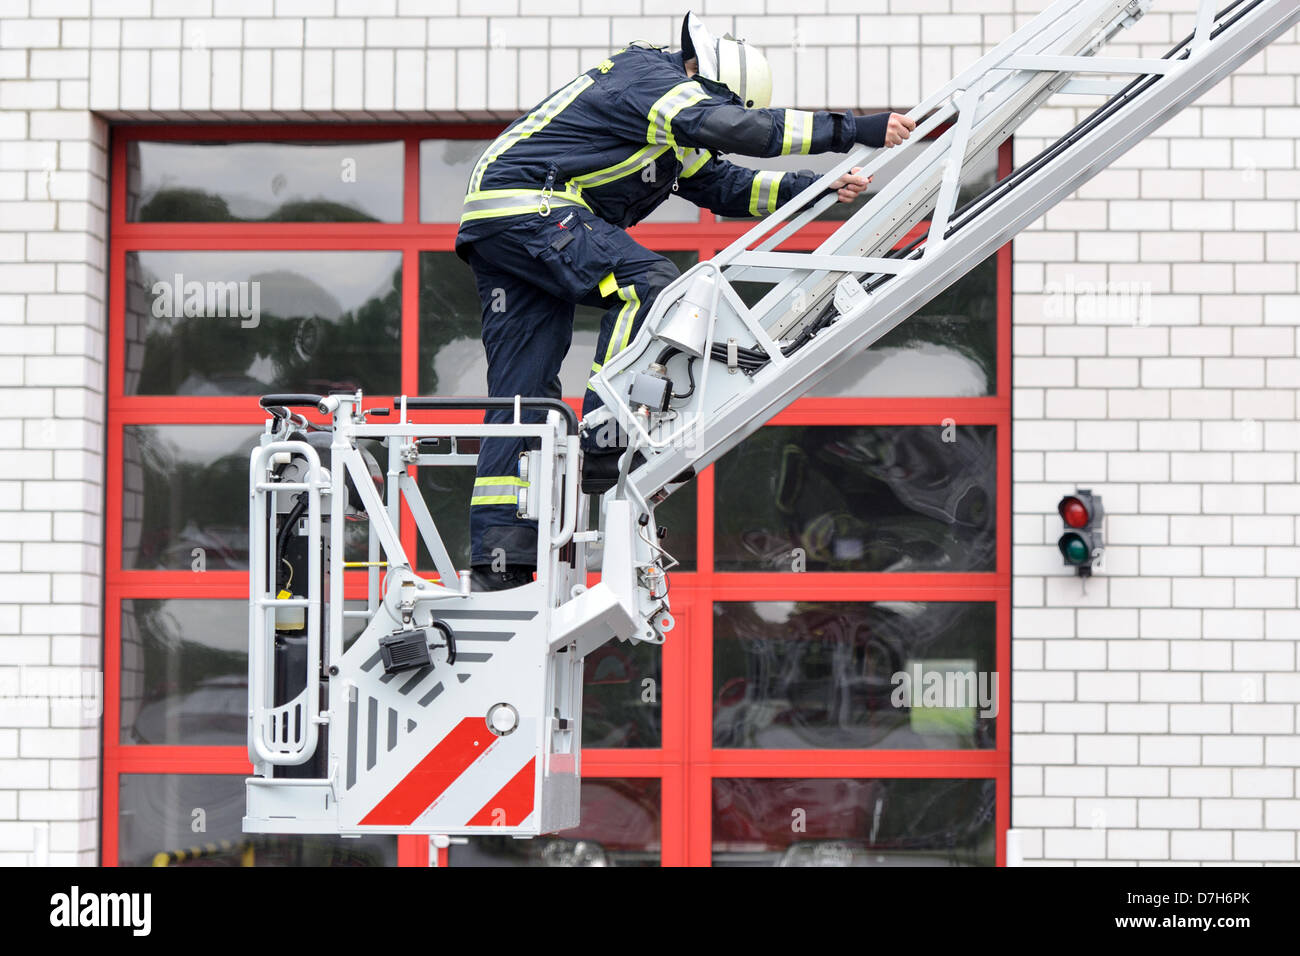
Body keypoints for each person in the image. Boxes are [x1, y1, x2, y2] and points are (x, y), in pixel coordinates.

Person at [454, 11, 917, 591]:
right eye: (723, 105)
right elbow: (736, 130)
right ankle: (607, 423)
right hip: (529, 206)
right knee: (646, 281)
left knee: (523, 400)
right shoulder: (645, 77)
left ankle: (503, 563)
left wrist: (815, 187)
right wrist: (854, 129)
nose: (719, 117)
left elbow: (725, 186)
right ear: (700, 75)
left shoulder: (674, 126)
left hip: (502, 228)